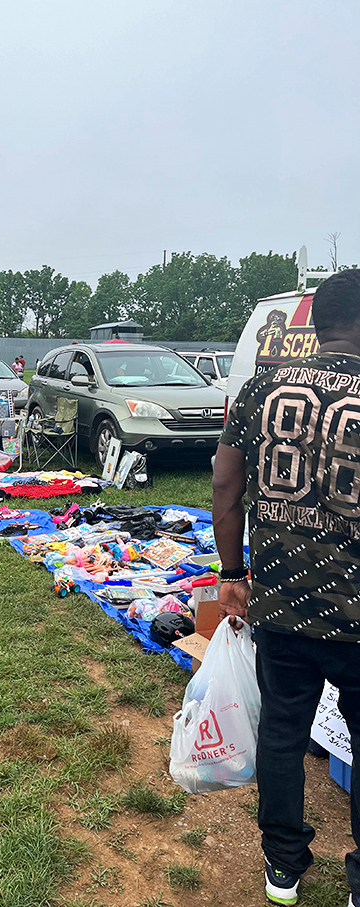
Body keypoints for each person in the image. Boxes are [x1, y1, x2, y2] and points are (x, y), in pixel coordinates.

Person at [212, 269, 360, 907]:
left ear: (315, 325)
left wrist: (231, 573)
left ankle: (283, 868)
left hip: (281, 604)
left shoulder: (261, 388)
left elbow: (225, 485)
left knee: (281, 732)